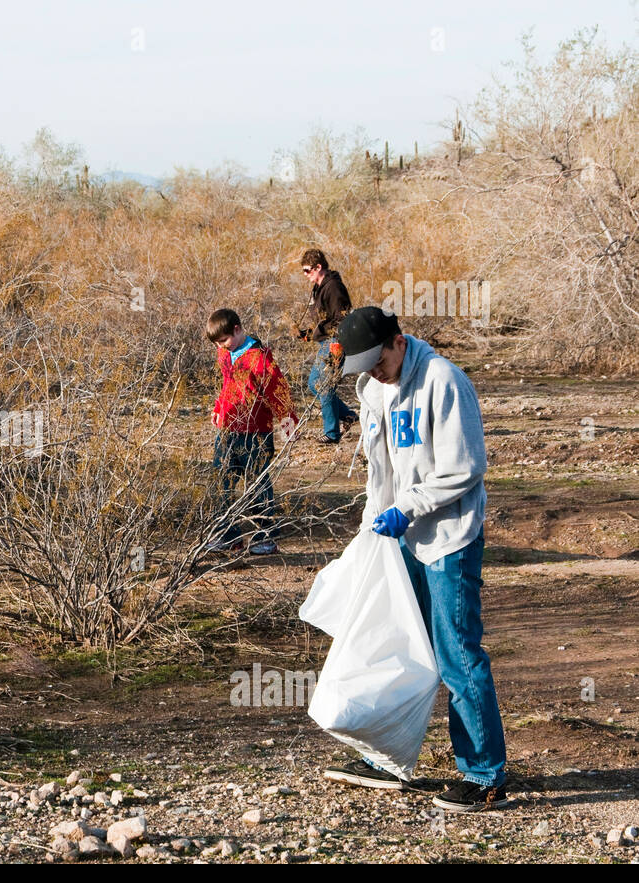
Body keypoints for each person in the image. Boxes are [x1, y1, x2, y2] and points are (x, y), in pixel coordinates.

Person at [323, 306, 507, 812]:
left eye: (377, 362)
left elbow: (465, 468)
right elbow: (379, 470)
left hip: (449, 538)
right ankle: (386, 756)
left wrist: (409, 508)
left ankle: (484, 773)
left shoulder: (444, 381)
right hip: (400, 539)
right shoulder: (374, 388)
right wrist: (372, 522)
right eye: (363, 368)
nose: (373, 373)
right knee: (399, 646)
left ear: (398, 342)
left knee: (457, 655)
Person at [205, 308, 297, 556]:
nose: (222, 347)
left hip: (256, 432)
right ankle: (227, 534)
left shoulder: (260, 358)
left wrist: (288, 423)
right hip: (228, 429)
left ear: (237, 329)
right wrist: (218, 407)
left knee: (258, 484)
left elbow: (278, 391)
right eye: (217, 344)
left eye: (224, 341)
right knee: (221, 480)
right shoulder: (225, 353)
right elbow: (227, 384)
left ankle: (263, 537)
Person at [298, 249, 357, 443]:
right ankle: (348, 416)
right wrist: (309, 333)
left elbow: (342, 318)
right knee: (315, 383)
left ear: (318, 267)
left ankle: (331, 433)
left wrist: (337, 345)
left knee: (324, 385)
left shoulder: (333, 287)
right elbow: (325, 319)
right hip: (327, 341)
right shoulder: (320, 287)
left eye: (307, 270)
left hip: (335, 342)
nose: (306, 275)